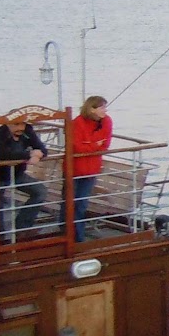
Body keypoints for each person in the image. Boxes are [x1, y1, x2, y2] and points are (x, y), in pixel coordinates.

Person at [0, 117, 49, 237]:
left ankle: (23, 227)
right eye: (16, 124)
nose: (20, 128)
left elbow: (42, 148)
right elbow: (2, 154)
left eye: (22, 124)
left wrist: (38, 154)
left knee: (40, 191)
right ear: (8, 124)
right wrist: (29, 154)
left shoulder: (27, 131)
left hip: (18, 173)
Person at [69, 96, 112, 241]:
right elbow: (76, 146)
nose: (105, 110)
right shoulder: (78, 123)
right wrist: (94, 145)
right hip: (74, 169)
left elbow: (105, 144)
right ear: (92, 109)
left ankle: (78, 238)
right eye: (102, 107)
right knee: (70, 202)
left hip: (91, 169)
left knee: (81, 203)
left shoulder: (107, 121)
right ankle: (70, 234)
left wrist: (90, 145)